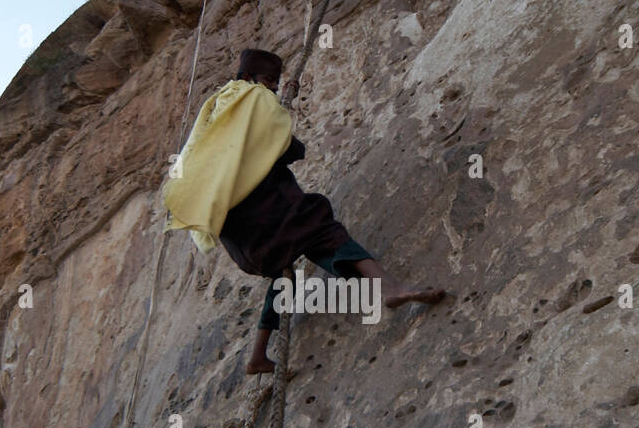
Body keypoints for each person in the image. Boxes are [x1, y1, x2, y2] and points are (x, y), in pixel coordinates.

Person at [162, 47, 445, 374]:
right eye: (268, 80)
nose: (271, 87)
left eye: (274, 82)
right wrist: (284, 115)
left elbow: (232, 155)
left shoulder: (215, 112)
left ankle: (258, 357)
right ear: (249, 77)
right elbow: (280, 146)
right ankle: (391, 288)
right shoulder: (249, 96)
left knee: (283, 273)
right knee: (324, 232)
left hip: (239, 234)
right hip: (267, 208)